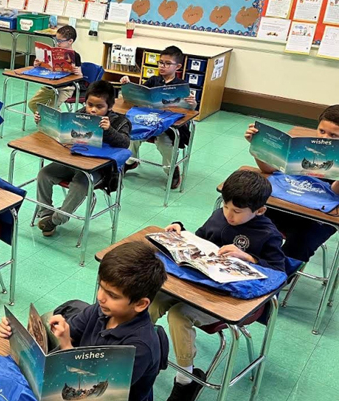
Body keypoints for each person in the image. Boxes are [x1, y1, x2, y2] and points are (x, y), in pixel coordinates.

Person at [151, 169, 286, 401]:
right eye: (225, 206)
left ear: (260, 210)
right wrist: (180, 232)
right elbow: (201, 240)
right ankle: (142, 350)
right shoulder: (219, 216)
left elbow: (278, 273)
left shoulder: (267, 234)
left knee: (179, 315)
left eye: (236, 211)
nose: (228, 215)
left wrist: (250, 258)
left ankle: (185, 380)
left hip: (229, 300)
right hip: (195, 283)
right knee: (151, 301)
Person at [0, 242, 168, 401]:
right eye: (100, 287)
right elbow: (71, 332)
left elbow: (96, 394)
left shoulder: (139, 348)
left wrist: (66, 345)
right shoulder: (100, 310)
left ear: (140, 304)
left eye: (112, 295)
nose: (100, 297)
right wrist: (17, 336)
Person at [33, 81, 131, 237]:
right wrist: (43, 121)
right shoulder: (81, 114)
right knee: (44, 174)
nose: (92, 110)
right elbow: (60, 133)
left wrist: (109, 130)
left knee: (79, 183)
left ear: (110, 107)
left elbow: (125, 143)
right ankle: (46, 213)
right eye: (90, 104)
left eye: (99, 107)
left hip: (99, 170)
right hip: (73, 161)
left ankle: (57, 219)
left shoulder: (121, 121)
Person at [244, 105, 339, 263]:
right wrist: (258, 147)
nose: (325, 138)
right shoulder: (304, 149)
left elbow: (335, 193)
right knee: (247, 218)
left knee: (301, 243)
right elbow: (268, 169)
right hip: (286, 201)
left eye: (334, 135)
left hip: (318, 217)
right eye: (322, 131)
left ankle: (277, 277)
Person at [120, 46, 197, 190]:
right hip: (148, 121)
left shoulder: (181, 86)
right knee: (130, 135)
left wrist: (193, 104)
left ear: (178, 66)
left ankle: (171, 170)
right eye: (160, 62)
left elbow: (190, 111)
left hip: (168, 126)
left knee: (164, 144)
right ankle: (130, 161)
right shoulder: (153, 80)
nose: (162, 66)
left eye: (168, 63)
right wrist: (128, 86)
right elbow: (139, 96)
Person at [26, 25, 83, 114]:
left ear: (70, 41)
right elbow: (44, 70)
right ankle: (44, 119)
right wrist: (37, 65)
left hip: (65, 88)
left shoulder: (75, 56)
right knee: (32, 104)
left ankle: (50, 122)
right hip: (50, 86)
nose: (57, 43)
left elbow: (80, 75)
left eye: (60, 41)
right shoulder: (52, 53)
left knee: (52, 108)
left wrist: (78, 73)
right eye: (56, 40)